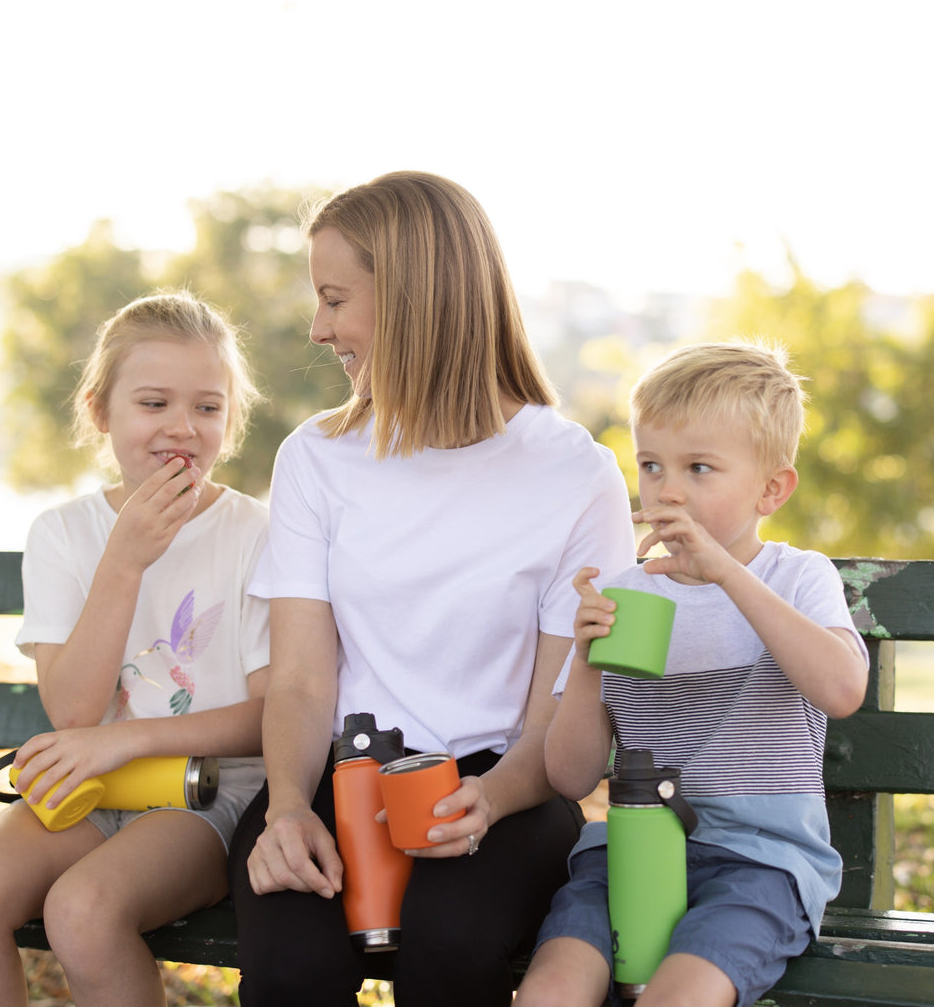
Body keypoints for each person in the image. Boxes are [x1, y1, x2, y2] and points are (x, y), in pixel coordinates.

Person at [227, 171, 636, 1007]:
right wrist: (287, 812)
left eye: (336, 300)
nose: (318, 327)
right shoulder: (316, 457)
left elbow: (553, 717)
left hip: (506, 788)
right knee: (292, 971)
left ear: (412, 297)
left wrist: (490, 798)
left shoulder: (573, 472)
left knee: (450, 953)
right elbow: (303, 681)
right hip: (335, 777)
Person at [0, 291, 271, 1007]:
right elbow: (75, 709)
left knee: (83, 910)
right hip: (94, 790)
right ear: (99, 410)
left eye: (208, 407)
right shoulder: (64, 535)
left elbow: (272, 714)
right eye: (154, 404)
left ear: (230, 419)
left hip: (211, 798)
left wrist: (128, 742)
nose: (183, 427)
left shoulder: (257, 535)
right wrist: (124, 563)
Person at [514, 341, 870, 1007]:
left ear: (771, 488)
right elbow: (567, 776)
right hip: (629, 851)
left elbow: (844, 689)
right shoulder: (626, 594)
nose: (667, 490)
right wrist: (589, 663)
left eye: (699, 468)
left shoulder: (795, 578)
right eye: (651, 466)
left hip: (759, 864)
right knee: (549, 992)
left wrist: (729, 576)